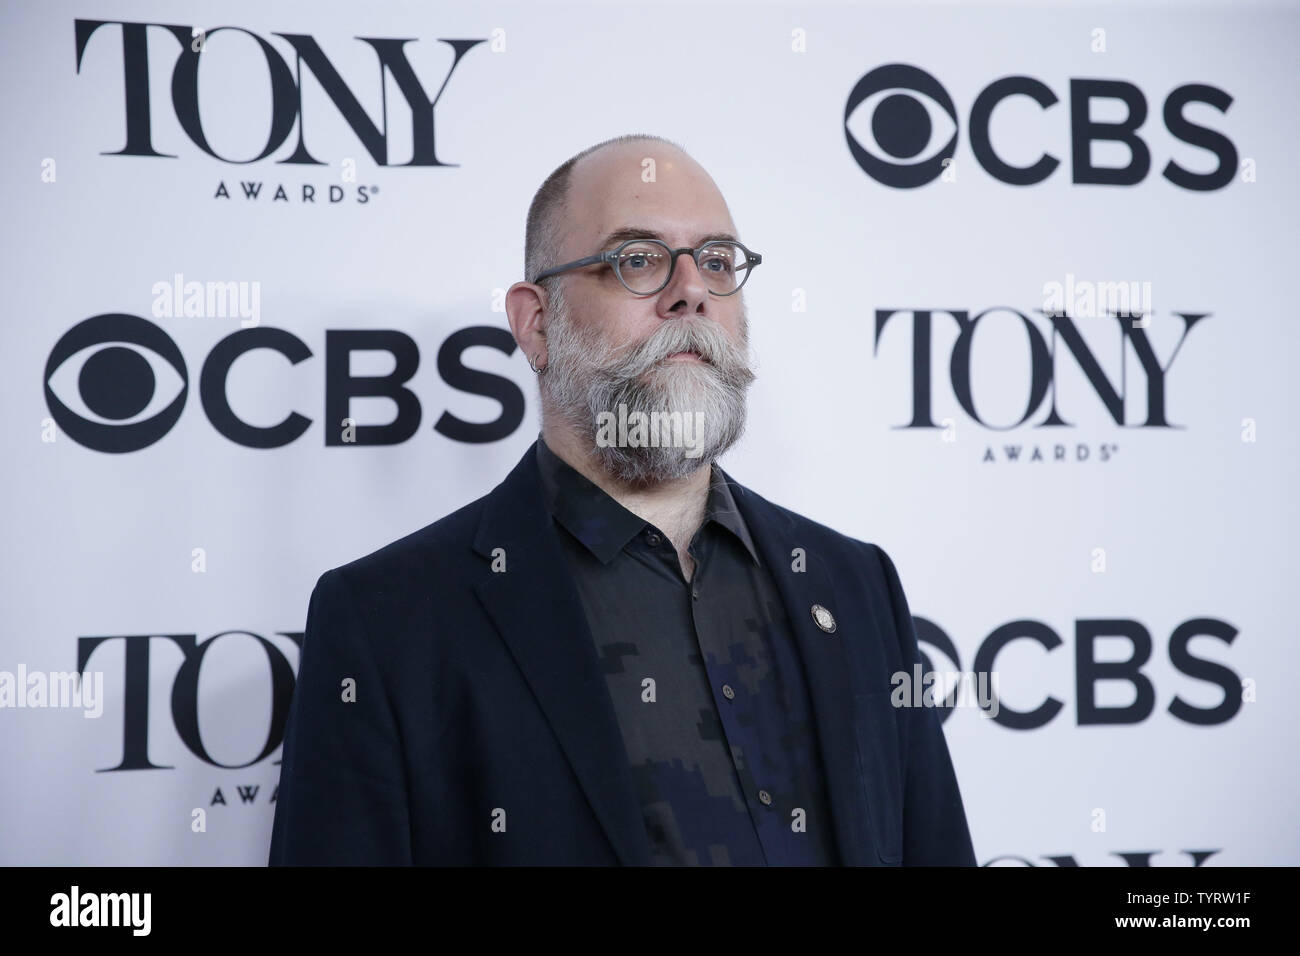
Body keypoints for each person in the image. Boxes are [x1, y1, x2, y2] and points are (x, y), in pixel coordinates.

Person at [269, 133, 976, 866]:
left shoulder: (855, 584)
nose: (691, 289)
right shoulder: (389, 623)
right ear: (536, 323)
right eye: (637, 259)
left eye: (716, 260)